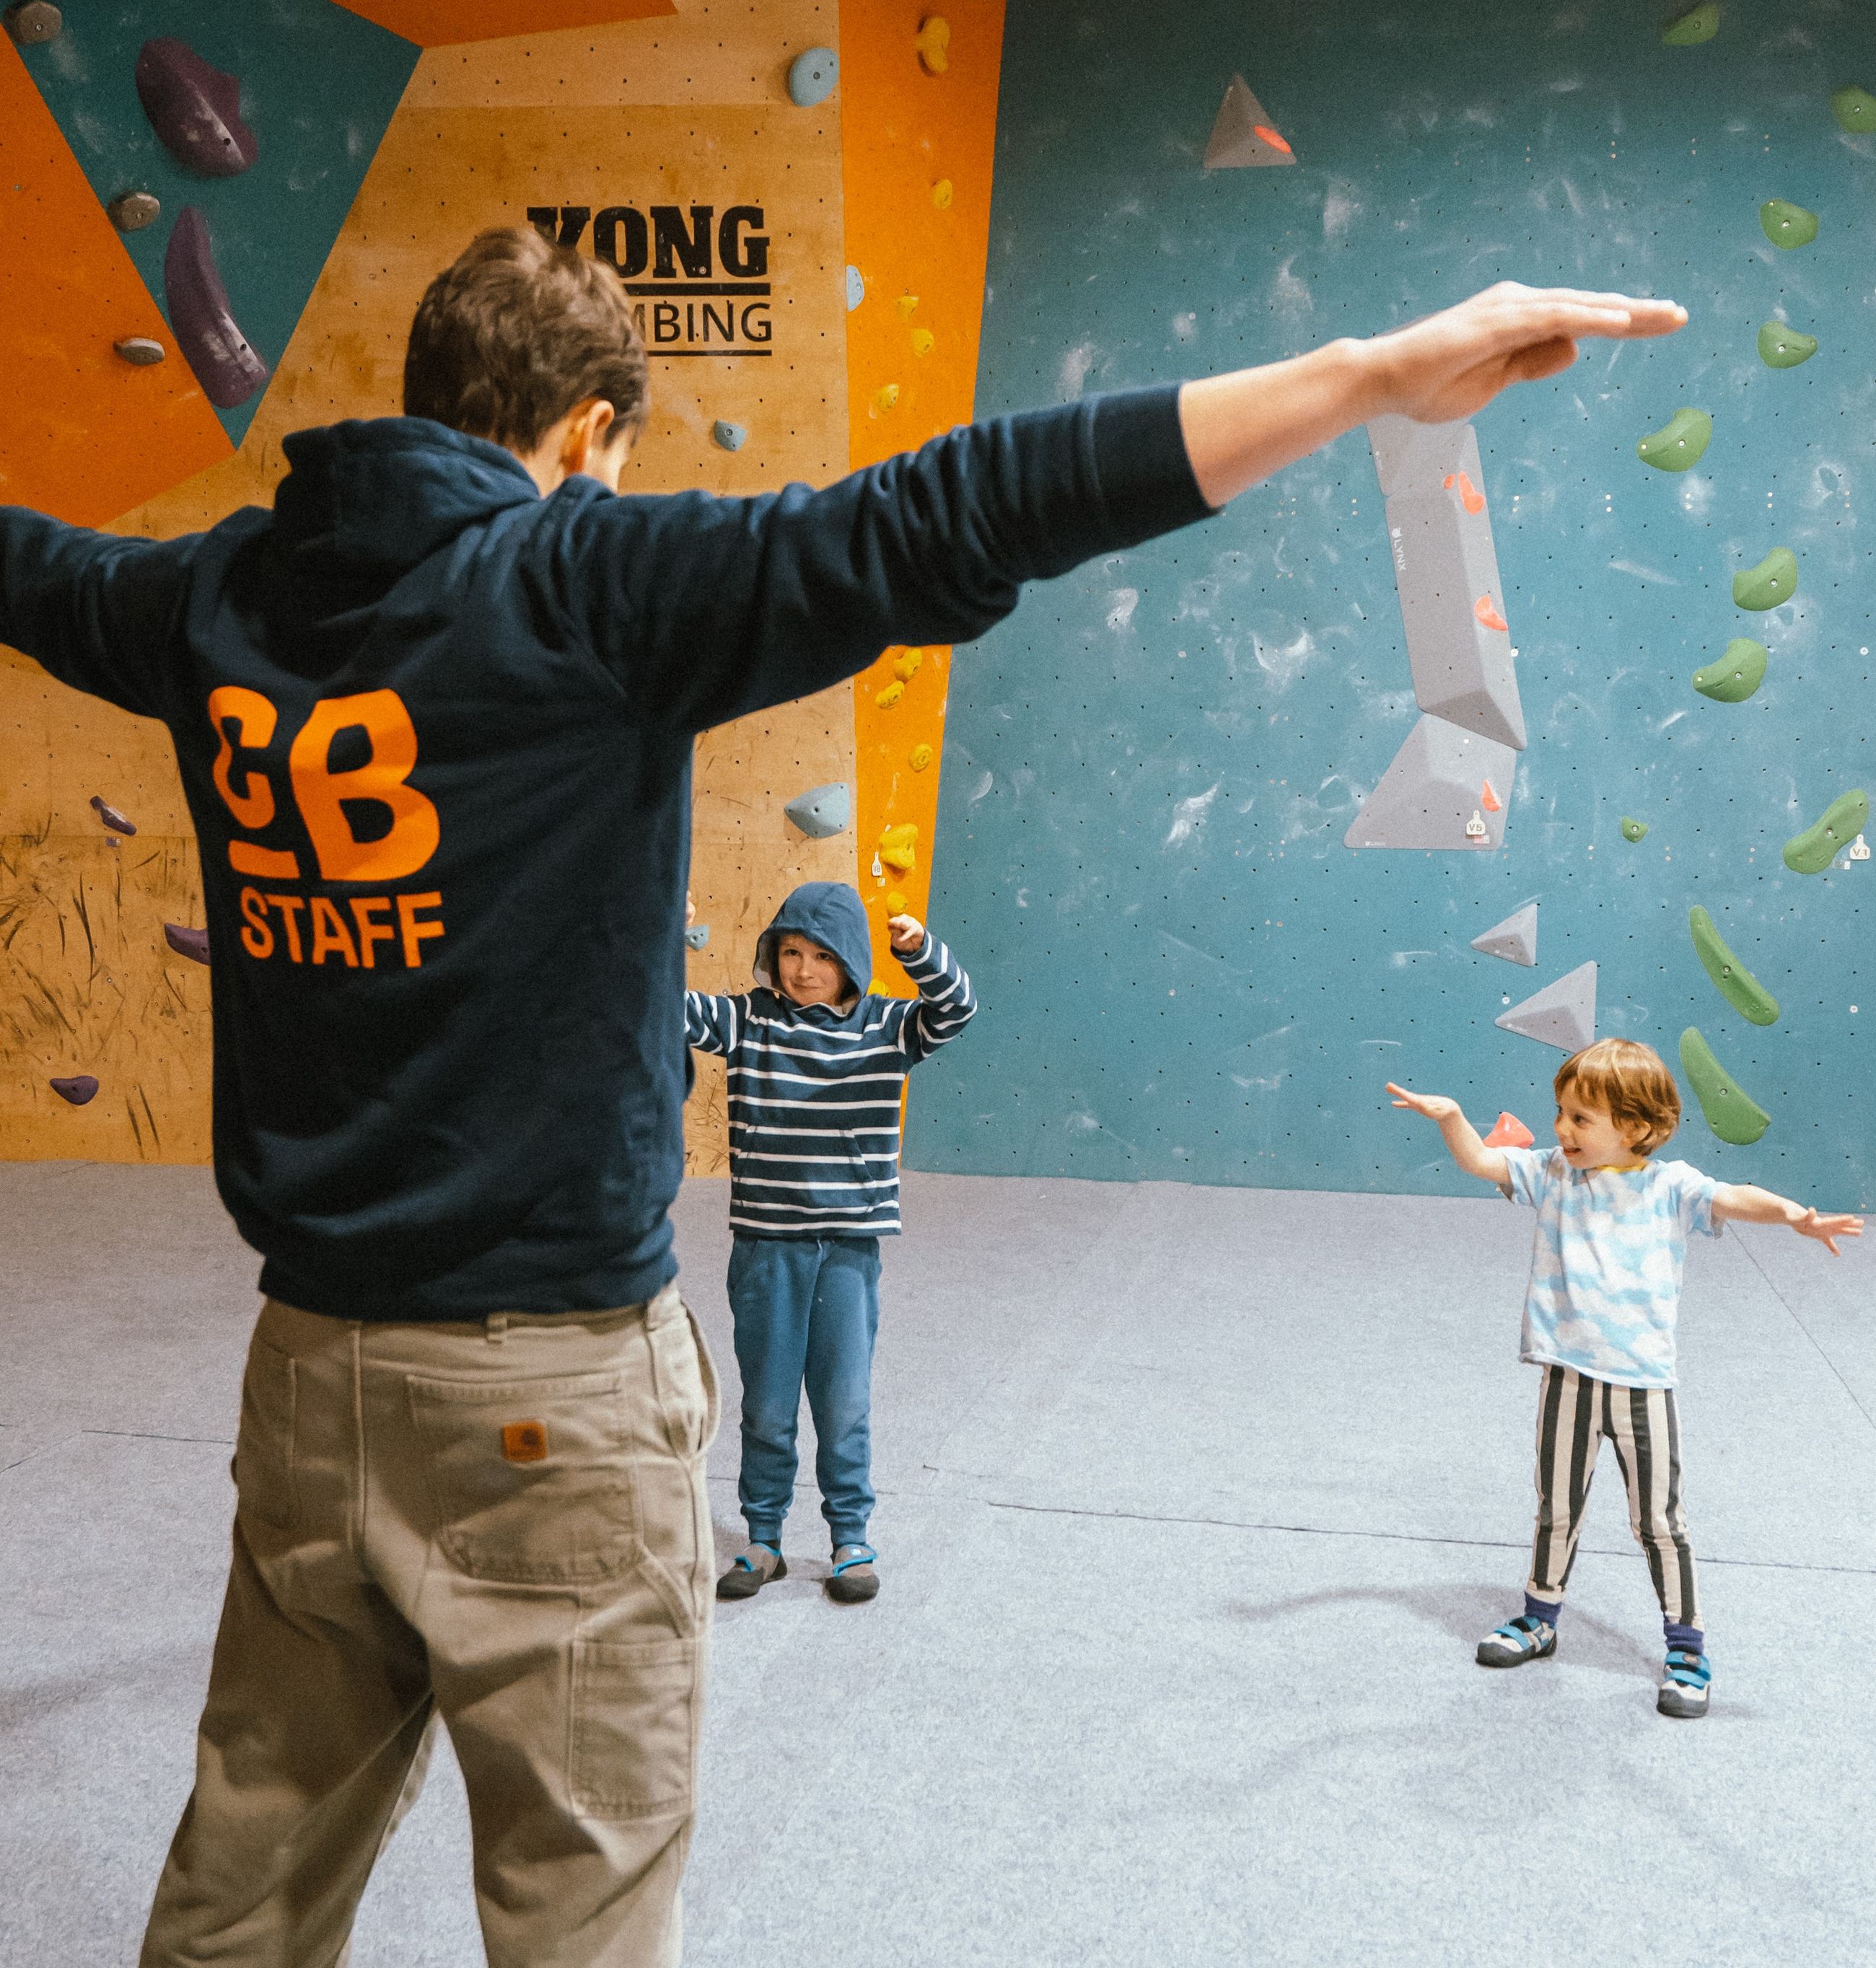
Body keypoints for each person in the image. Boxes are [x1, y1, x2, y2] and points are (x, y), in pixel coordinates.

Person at [0, 208, 1687, 1964]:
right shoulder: (580, 583)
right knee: (575, 1906)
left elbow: (28, 567)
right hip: (544, 1397)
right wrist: (1358, 378)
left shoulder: (214, 593)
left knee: (240, 1901)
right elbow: (947, 512)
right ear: (586, 436)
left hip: (307, 1370)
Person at [1389, 1040, 1861, 1719]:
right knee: (1557, 1507)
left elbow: (1734, 1197)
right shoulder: (1552, 1173)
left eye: (1582, 1119)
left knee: (1658, 1522)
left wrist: (1795, 1215)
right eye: (1561, 1113)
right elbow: (1483, 1161)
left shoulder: (1671, 1188)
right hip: (1568, 1380)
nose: (1562, 1129)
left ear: (1637, 1127)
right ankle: (1539, 1618)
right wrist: (1451, 1118)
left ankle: (1687, 1647)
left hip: (1642, 1389)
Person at [685, 884, 973, 1605]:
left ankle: (849, 1537)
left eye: (821, 955)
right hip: (765, 1248)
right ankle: (762, 1539)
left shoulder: (887, 1025)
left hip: (847, 1248)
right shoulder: (750, 1020)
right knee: (768, 1404)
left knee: (843, 1404)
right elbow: (661, 1006)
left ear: (851, 959)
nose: (803, 970)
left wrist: (918, 953)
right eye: (789, 953)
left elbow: (956, 1009)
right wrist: (670, 932)